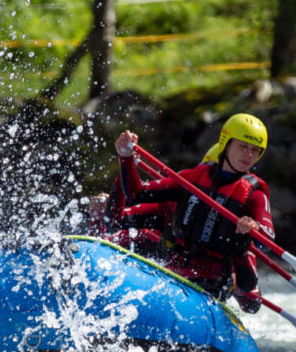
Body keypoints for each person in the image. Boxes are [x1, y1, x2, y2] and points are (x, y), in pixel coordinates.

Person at [113, 113, 273, 313]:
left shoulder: (255, 195)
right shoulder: (191, 178)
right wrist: (126, 158)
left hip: (213, 282)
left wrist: (254, 228)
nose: (249, 154)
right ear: (226, 143)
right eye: (243, 146)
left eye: (255, 151)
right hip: (172, 269)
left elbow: (267, 242)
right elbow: (137, 194)